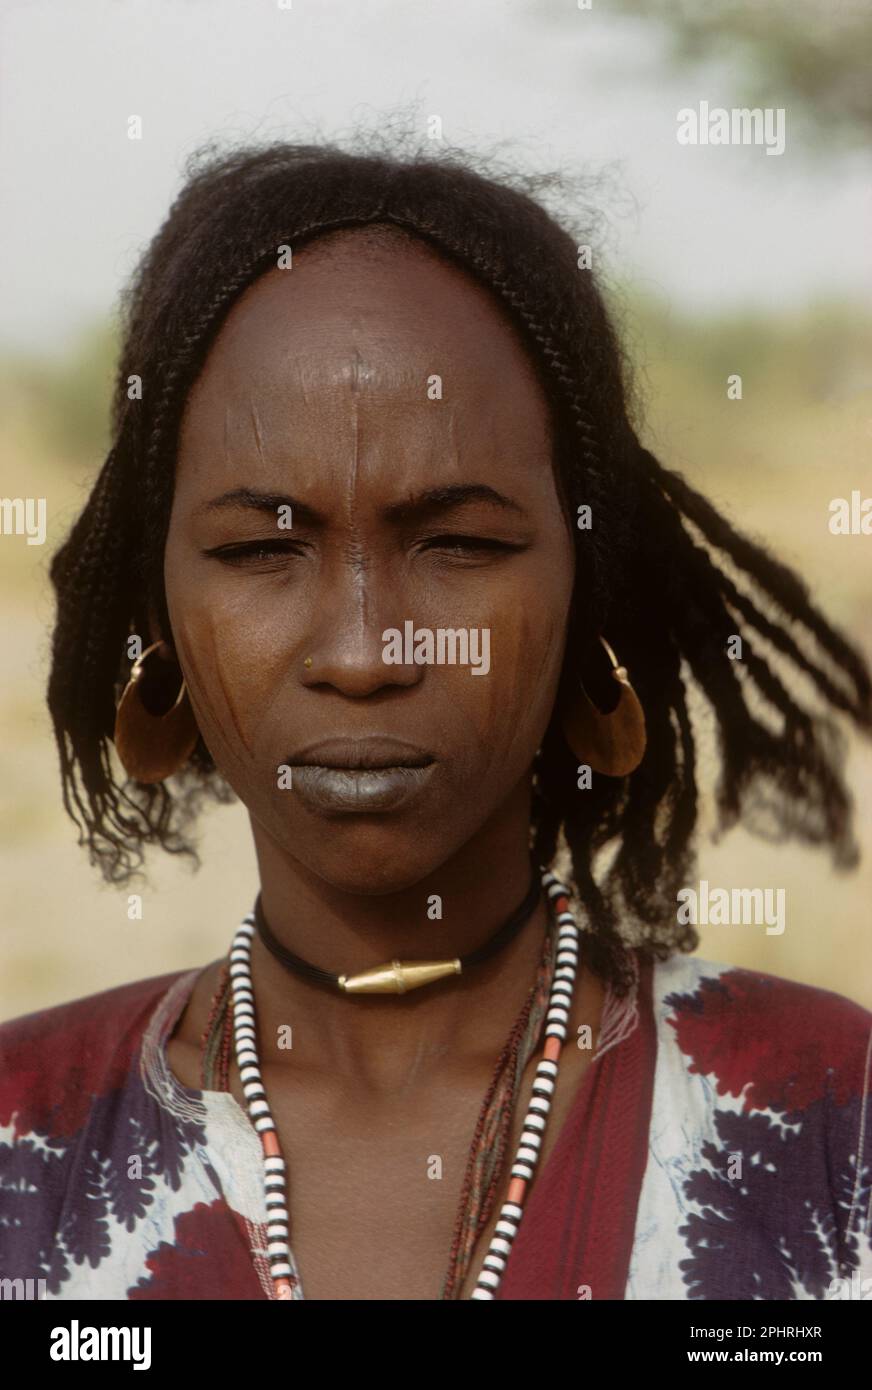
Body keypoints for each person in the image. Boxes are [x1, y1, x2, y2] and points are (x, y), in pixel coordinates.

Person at [1, 141, 870, 1302]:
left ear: (584, 592)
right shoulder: (25, 1137)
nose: (364, 653)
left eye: (459, 543)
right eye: (260, 549)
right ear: (157, 612)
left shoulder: (831, 1122)